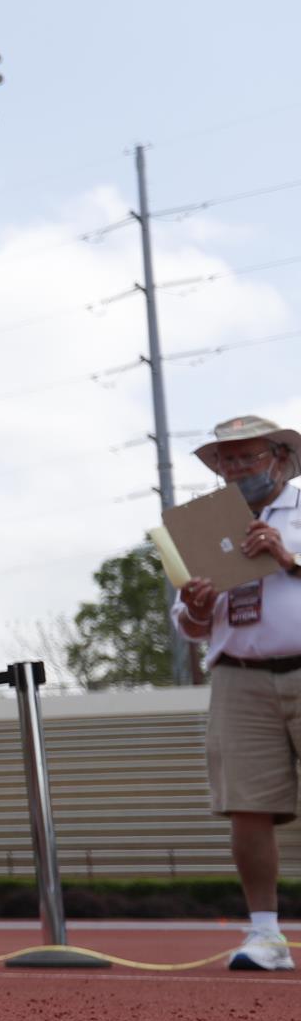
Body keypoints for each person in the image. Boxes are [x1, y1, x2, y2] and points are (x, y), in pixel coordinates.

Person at [173, 413, 301, 972]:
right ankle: (265, 935)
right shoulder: (203, 527)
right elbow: (188, 621)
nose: (238, 469)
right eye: (228, 461)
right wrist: (197, 609)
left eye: (249, 457)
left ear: (281, 458)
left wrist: (289, 557)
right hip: (237, 673)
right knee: (246, 807)